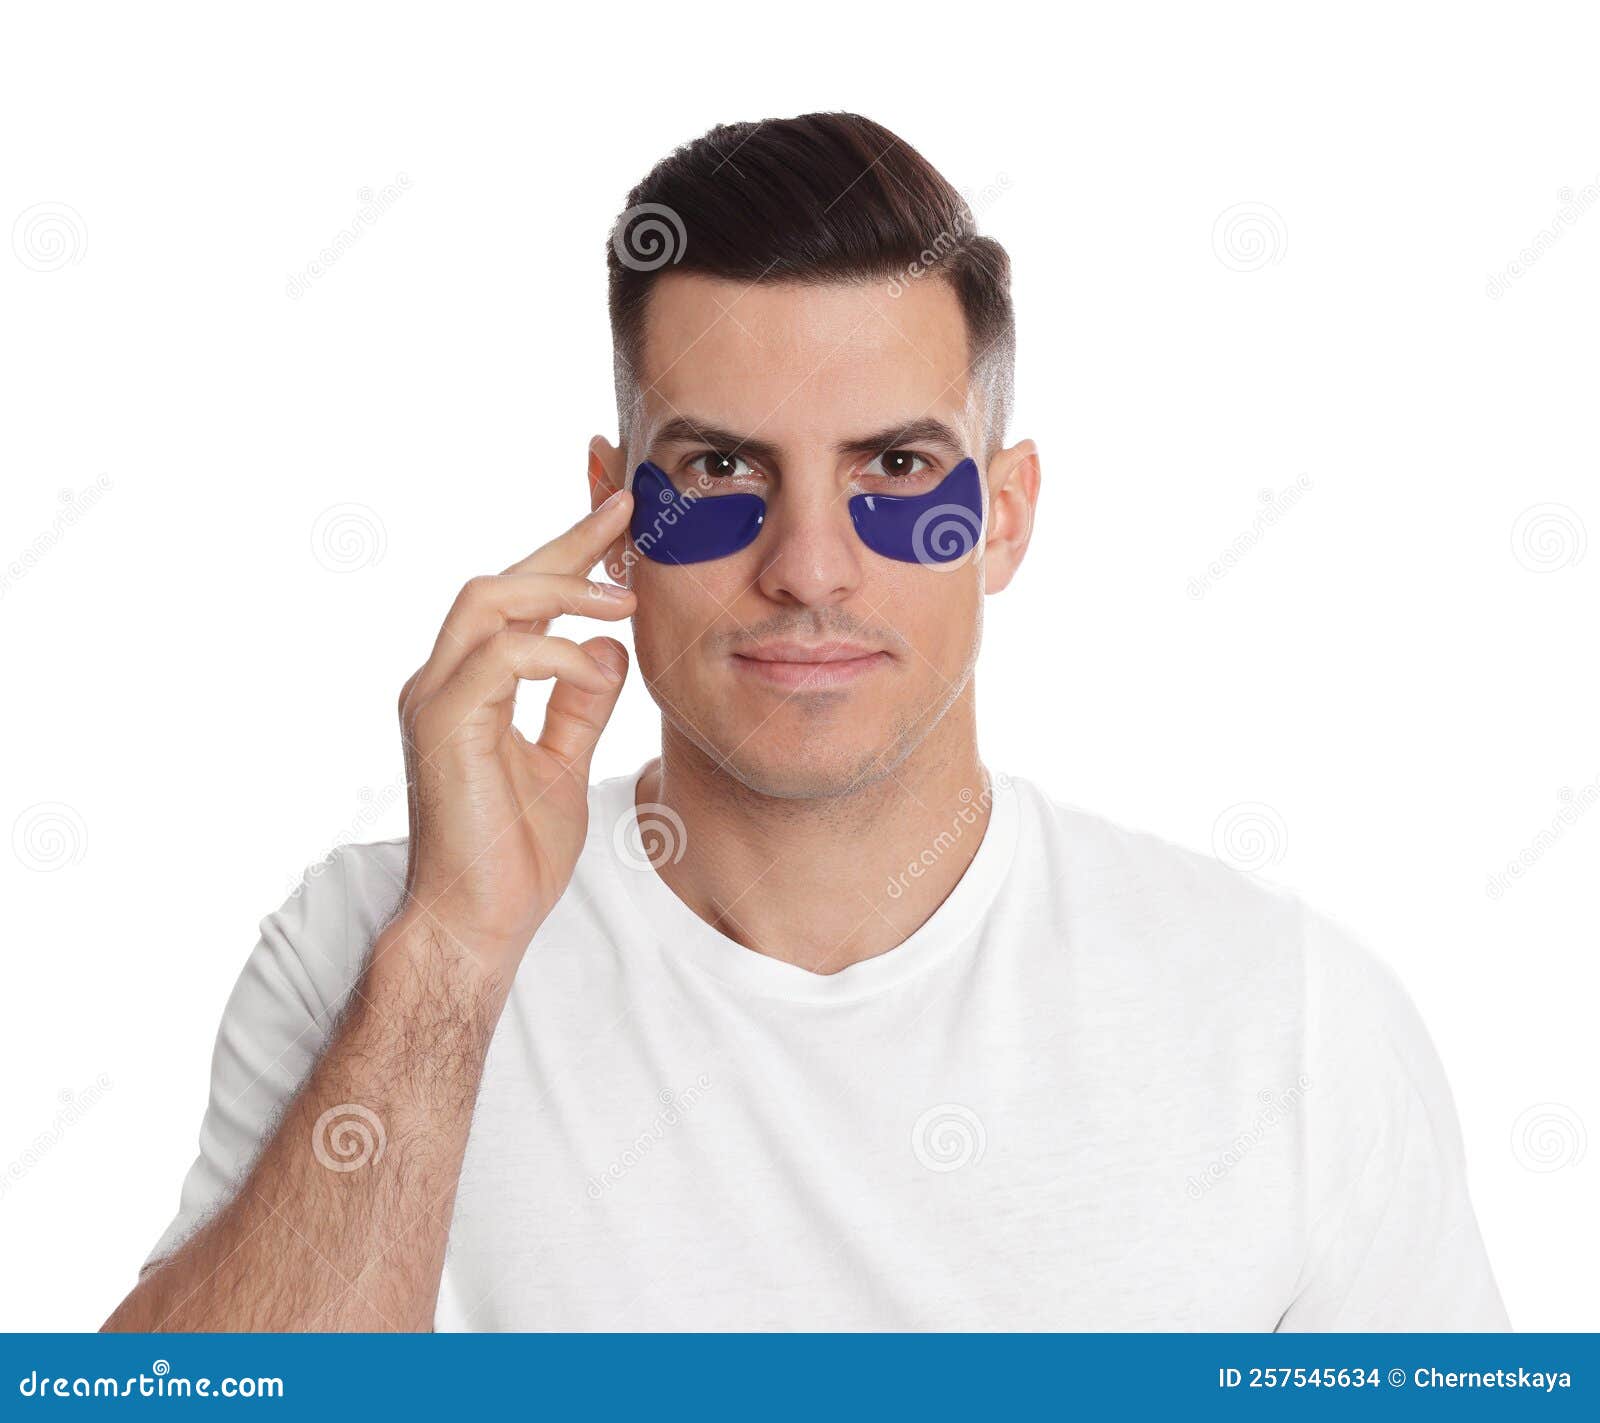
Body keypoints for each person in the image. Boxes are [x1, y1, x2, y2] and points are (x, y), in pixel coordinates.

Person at [104, 112, 1507, 1332]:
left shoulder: (1284, 1020)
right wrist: (452, 959)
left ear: (1003, 517)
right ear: (615, 513)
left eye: (895, 463)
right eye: (722, 466)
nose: (810, 568)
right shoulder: (368, 950)